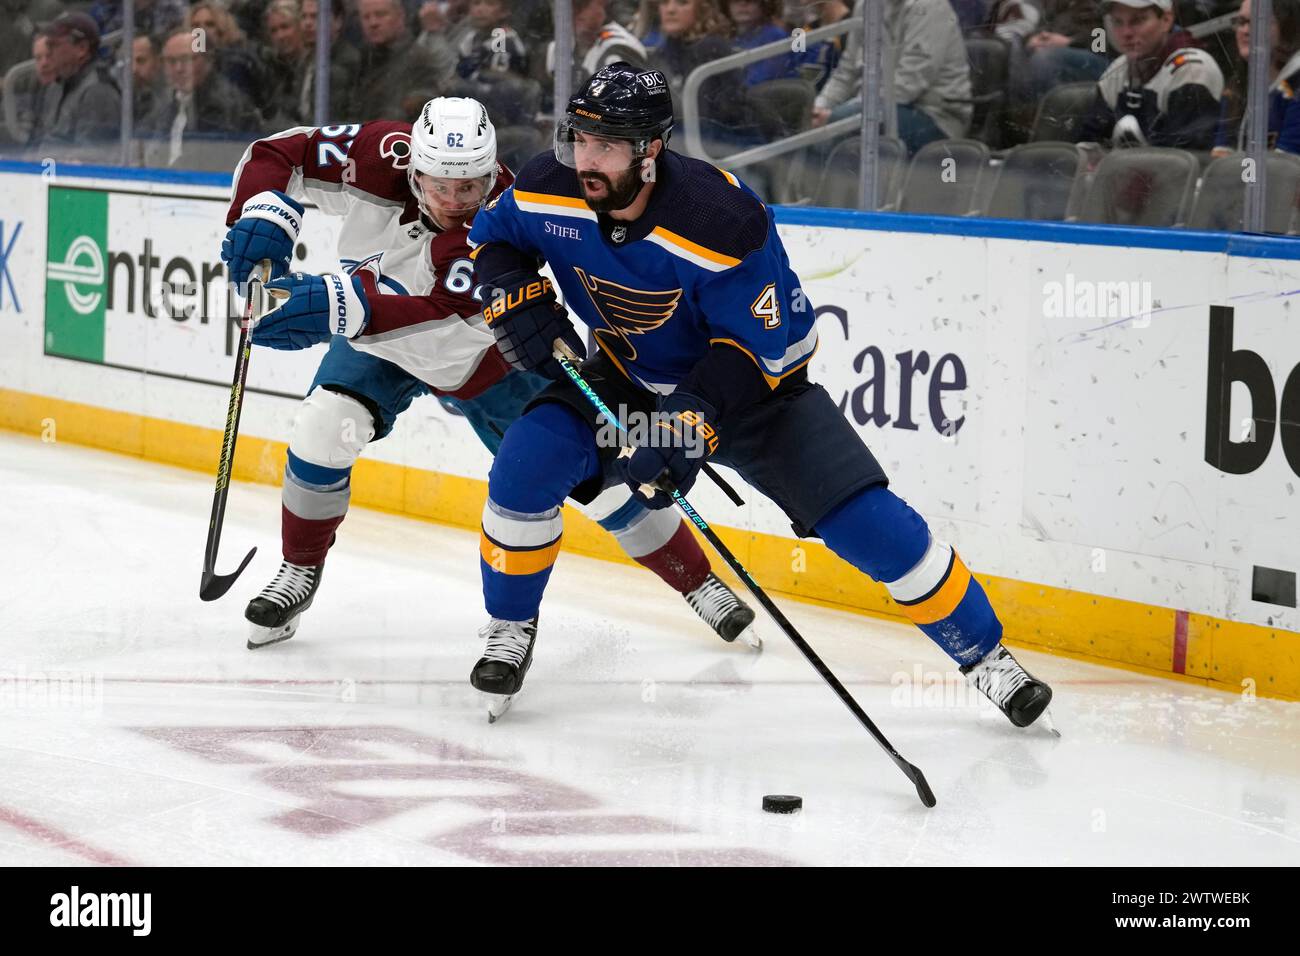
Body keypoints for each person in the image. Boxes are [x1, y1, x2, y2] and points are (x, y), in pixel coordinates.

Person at [457, 62, 1053, 727]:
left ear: (651, 150)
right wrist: (511, 293)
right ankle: (508, 628)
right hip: (625, 377)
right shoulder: (549, 186)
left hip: (757, 392)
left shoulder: (720, 218)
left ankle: (986, 655)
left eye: (608, 144)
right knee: (524, 465)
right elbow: (495, 237)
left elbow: (752, 351)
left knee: (873, 528)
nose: (586, 159)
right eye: (580, 139)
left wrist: (685, 425)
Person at [220, 98, 758, 678]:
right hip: (376, 340)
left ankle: (697, 582)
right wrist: (264, 212)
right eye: (440, 184)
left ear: (491, 172)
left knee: (597, 482)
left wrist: (334, 303)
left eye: (471, 186)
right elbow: (279, 152)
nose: (455, 202)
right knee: (322, 428)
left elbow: (444, 319)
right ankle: (300, 567)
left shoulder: (502, 214)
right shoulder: (378, 153)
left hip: (490, 362)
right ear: (412, 168)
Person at [811, 0, 971, 155]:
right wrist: (820, 107)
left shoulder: (930, 5)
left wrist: (840, 114)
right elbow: (845, 73)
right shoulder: (865, 5)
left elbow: (908, 84)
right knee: (806, 125)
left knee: (842, 125)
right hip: (871, 107)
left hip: (933, 116)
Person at [1075, 0, 1224, 149]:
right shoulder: (1118, 69)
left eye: (1138, 20)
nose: (1126, 33)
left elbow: (1189, 156)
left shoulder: (1191, 69)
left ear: (1166, 20)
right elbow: (1089, 141)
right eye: (1117, 22)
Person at [139, 27, 261, 167]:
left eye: (186, 59)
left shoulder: (226, 104)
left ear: (208, 60)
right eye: (171, 61)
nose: (178, 68)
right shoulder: (166, 102)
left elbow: (212, 158)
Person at [1213, 0, 1300, 155]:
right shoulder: (1237, 86)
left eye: (1259, 21)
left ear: (1288, 27)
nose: (1245, 30)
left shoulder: (1295, 85)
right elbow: (1221, 160)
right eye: (1241, 22)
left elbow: (1286, 171)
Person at [37, 11, 121, 150]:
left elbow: (90, 159)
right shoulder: (56, 86)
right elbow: (38, 141)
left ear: (81, 48)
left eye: (53, 45)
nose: (48, 51)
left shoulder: (98, 92)